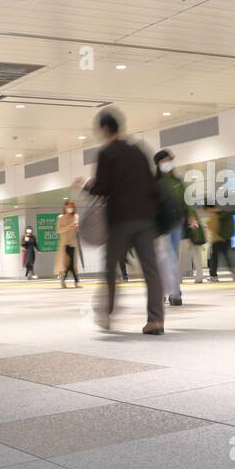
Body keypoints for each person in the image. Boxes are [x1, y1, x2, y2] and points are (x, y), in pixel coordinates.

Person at [78, 109, 164, 333]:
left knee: (110, 268)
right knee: (150, 270)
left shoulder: (107, 153)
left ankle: (106, 315)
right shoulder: (139, 151)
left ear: (105, 129)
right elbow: (153, 184)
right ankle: (156, 320)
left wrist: (86, 184)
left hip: (120, 221)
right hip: (146, 219)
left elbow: (102, 188)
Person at [153, 148, 196, 307]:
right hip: (160, 225)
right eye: (165, 161)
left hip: (176, 223)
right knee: (165, 258)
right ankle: (172, 292)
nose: (168, 163)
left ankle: (172, 291)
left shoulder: (177, 181)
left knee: (172, 258)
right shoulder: (155, 182)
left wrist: (191, 216)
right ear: (158, 163)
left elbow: (186, 201)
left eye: (170, 160)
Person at [206, 206, 235, 282]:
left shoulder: (214, 215)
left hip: (217, 240)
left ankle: (213, 276)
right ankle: (234, 272)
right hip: (226, 239)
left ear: (208, 208)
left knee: (214, 258)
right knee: (226, 256)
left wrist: (208, 224)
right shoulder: (222, 213)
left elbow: (214, 227)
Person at [56, 201, 80, 288]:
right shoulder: (60, 217)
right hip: (65, 243)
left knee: (71, 263)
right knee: (68, 263)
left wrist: (77, 227)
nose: (70, 208)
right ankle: (76, 281)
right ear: (65, 207)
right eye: (69, 206)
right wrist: (69, 226)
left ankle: (65, 280)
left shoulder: (75, 216)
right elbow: (58, 230)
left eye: (72, 206)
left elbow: (77, 230)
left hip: (73, 243)